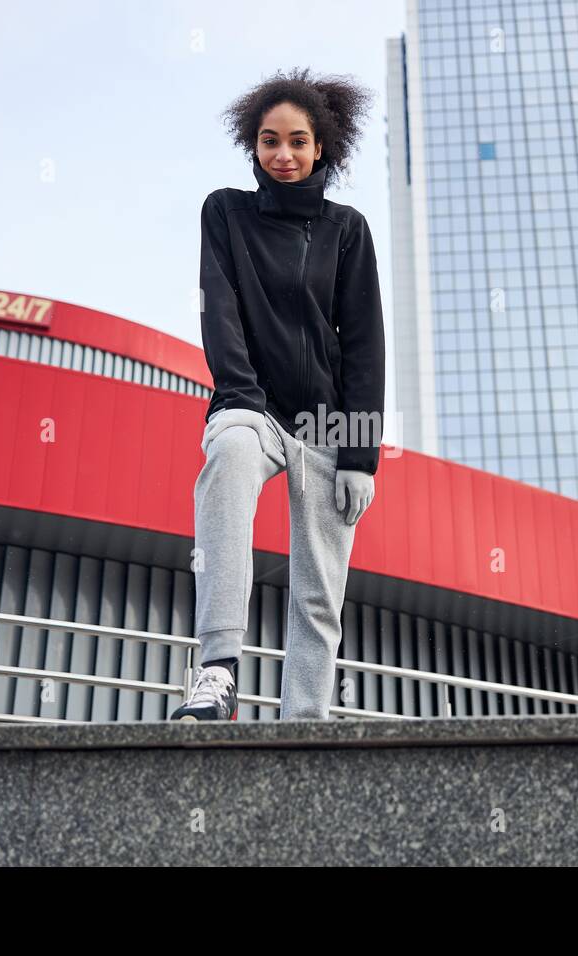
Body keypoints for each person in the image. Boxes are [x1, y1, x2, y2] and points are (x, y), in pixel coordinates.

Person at [171, 68, 385, 722]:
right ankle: (217, 670)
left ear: (322, 146)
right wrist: (238, 398)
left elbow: (364, 345)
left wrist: (360, 454)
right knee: (229, 457)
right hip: (251, 404)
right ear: (253, 145)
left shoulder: (347, 230)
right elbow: (221, 311)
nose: (283, 155)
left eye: (297, 141)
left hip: (326, 424)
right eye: (270, 141)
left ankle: (305, 726)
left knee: (319, 593)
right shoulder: (225, 212)